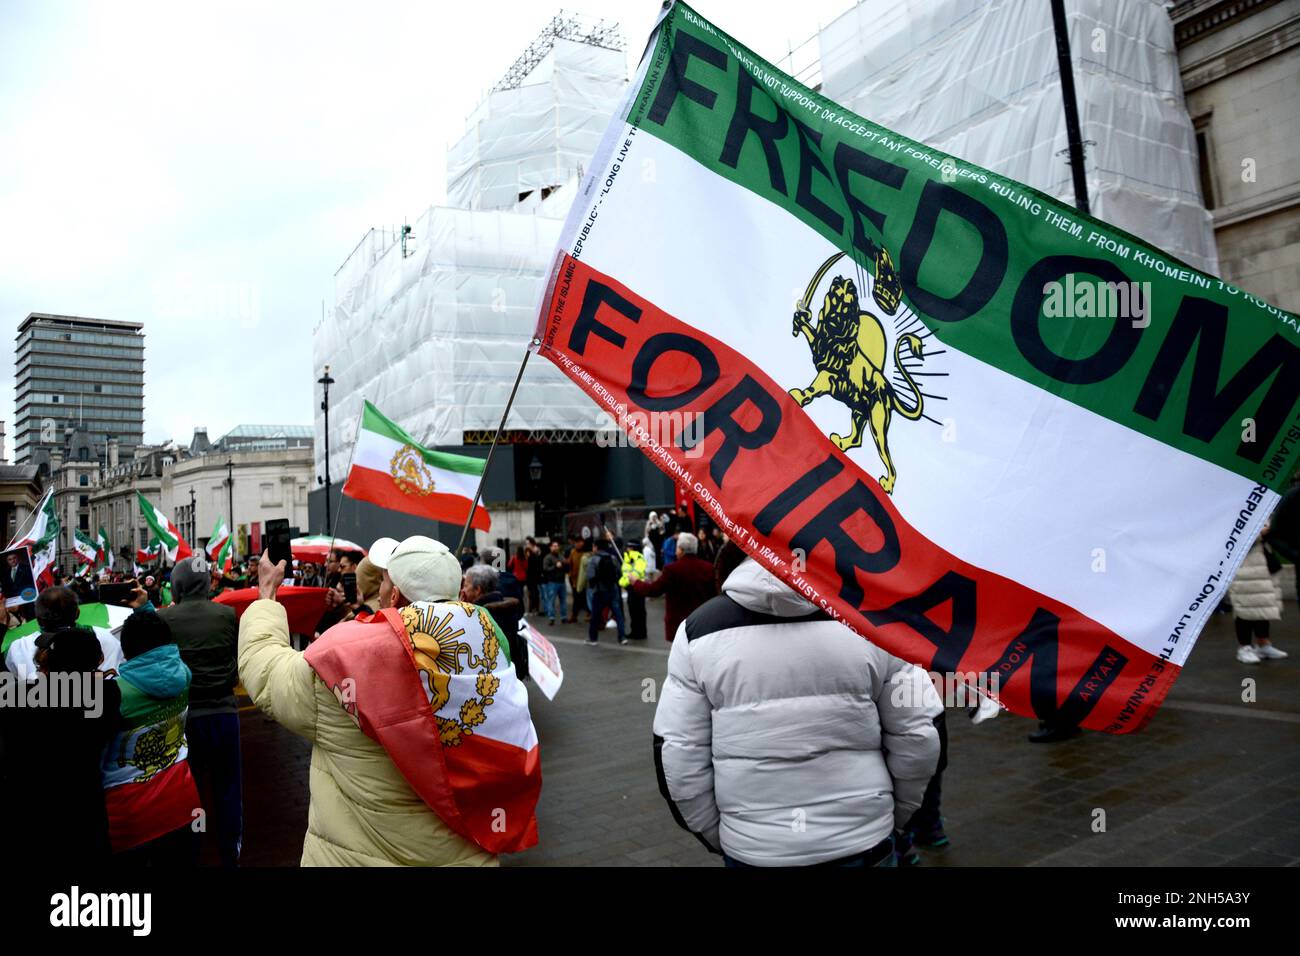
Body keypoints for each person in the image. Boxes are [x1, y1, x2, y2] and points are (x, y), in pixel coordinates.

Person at [239, 536, 538, 865]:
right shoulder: (488, 644)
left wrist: (266, 595)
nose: (379, 589)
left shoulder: (345, 657)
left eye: (383, 580)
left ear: (394, 593)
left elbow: (267, 675)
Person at [653, 556, 942, 866]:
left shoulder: (697, 631)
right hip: (862, 838)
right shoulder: (878, 618)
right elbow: (919, 733)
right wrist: (894, 816)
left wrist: (720, 833)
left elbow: (678, 753)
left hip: (754, 847)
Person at [0, 624, 119, 860]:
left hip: (27, 810)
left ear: (49, 663)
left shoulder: (15, 696)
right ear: (99, 660)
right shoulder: (107, 694)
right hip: (83, 807)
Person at [105, 595, 203, 865]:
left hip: (130, 821)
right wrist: (145, 609)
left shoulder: (113, 694)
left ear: (125, 651)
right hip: (184, 805)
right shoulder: (183, 674)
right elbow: (161, 645)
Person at [158, 555, 242, 867]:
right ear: (206, 583)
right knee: (228, 787)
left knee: (191, 790)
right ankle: (229, 850)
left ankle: (195, 847)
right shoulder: (227, 615)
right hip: (224, 712)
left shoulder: (164, 619)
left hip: (184, 718)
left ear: (177, 586)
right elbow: (236, 661)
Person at [629, 532, 717, 642]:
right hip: (702, 622)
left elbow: (654, 590)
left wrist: (636, 582)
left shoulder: (672, 569)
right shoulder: (708, 568)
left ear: (680, 549)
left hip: (679, 624)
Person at [1228, 524, 1288, 664]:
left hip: (1263, 565)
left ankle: (1263, 644)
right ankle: (1244, 648)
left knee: (1262, 605)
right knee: (1245, 608)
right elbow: (1232, 537)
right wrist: (1260, 533)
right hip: (1245, 567)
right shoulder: (1232, 511)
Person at [461, 563, 527, 680]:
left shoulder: (479, 615)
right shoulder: (505, 604)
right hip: (508, 670)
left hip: (491, 677)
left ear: (477, 590)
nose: (463, 590)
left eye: (466, 586)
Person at [586, 538, 625, 645]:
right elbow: (619, 573)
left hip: (599, 591)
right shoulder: (613, 558)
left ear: (596, 547)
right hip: (613, 590)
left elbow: (590, 576)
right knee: (618, 615)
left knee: (595, 615)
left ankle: (593, 639)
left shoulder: (593, 560)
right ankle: (622, 637)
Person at [620, 538, 648, 641]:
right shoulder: (629, 559)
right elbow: (626, 572)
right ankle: (634, 631)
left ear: (633, 548)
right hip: (631, 588)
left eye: (629, 547)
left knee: (639, 611)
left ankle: (640, 633)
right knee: (632, 610)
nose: (627, 549)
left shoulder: (639, 559)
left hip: (638, 588)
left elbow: (634, 575)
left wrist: (624, 582)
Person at [541, 541, 568, 626]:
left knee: (563, 600)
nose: (556, 548)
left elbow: (566, 566)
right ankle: (551, 618)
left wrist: (564, 564)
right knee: (551, 601)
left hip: (562, 582)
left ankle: (564, 617)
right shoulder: (548, 557)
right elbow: (545, 569)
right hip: (552, 582)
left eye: (557, 546)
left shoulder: (561, 556)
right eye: (554, 546)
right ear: (551, 547)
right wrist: (555, 566)